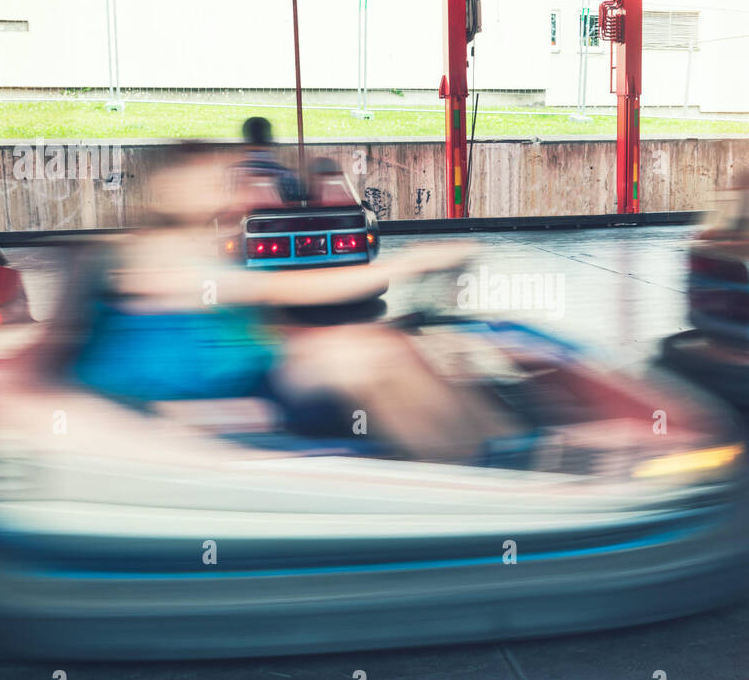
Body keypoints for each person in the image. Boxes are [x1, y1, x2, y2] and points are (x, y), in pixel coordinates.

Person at [68, 143, 521, 462]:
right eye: (207, 181)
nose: (223, 190)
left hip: (245, 373)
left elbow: (253, 317)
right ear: (167, 192)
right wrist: (405, 266)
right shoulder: (154, 254)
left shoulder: (197, 246)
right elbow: (287, 292)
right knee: (367, 359)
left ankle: (486, 453)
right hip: (197, 394)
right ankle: (468, 473)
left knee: (380, 346)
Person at [232, 115, 306, 206]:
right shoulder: (287, 174)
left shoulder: (232, 173)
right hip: (279, 220)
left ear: (245, 140)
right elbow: (296, 207)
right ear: (270, 139)